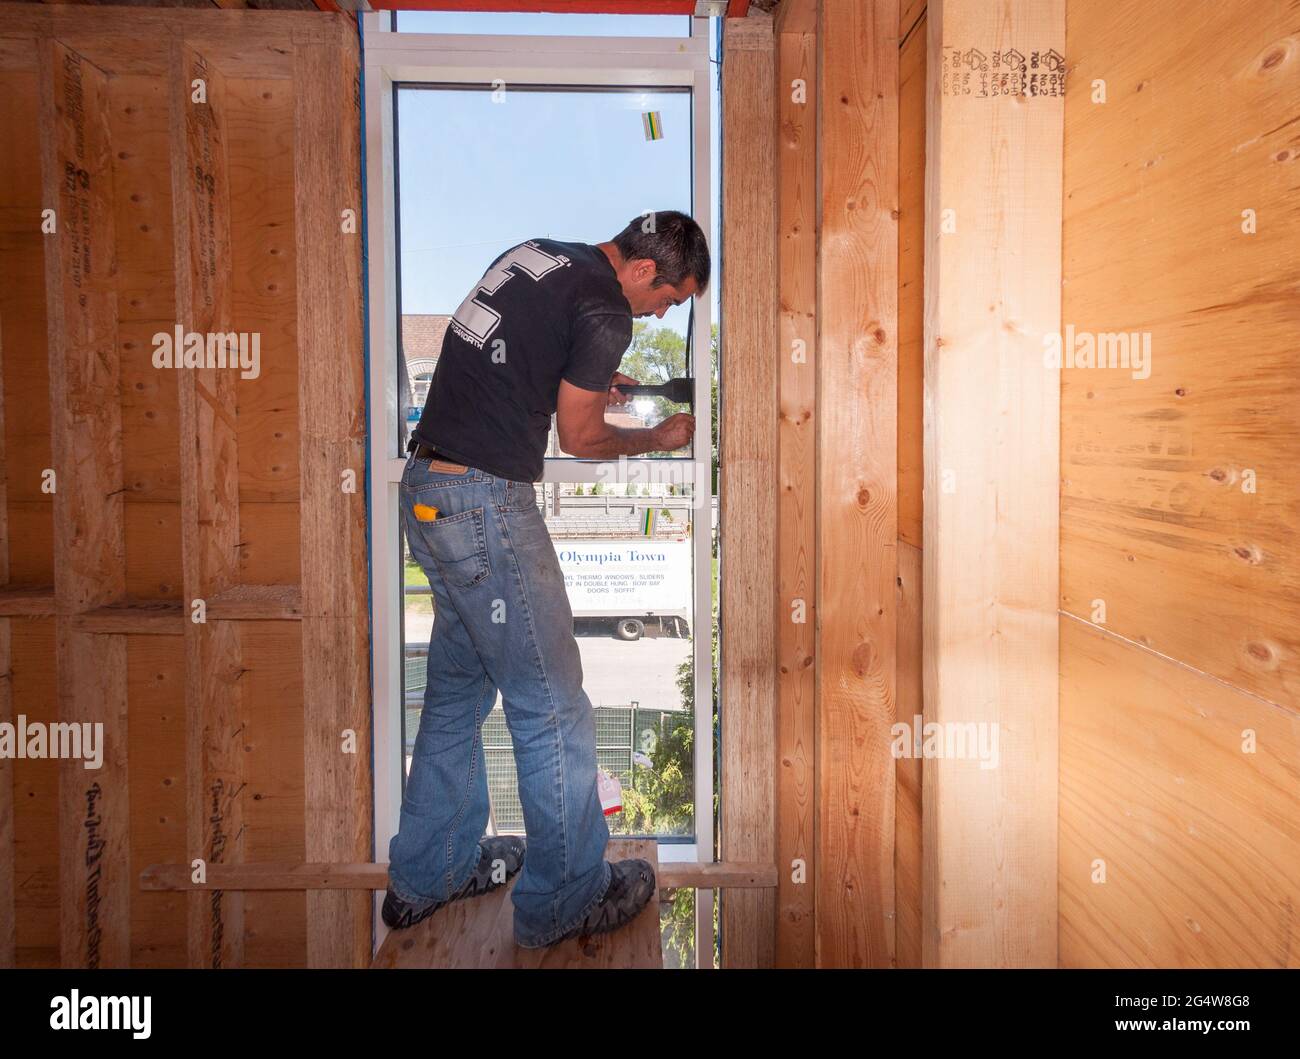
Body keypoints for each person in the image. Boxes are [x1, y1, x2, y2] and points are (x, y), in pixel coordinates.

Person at [383, 211, 711, 949]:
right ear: (641, 270)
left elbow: (518, 360)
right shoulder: (604, 307)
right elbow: (582, 436)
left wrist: (596, 378)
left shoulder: (543, 255)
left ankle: (428, 874)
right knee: (552, 707)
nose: (661, 312)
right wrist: (657, 438)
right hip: (483, 508)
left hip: (429, 489)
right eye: (668, 299)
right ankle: (564, 898)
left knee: (455, 695)